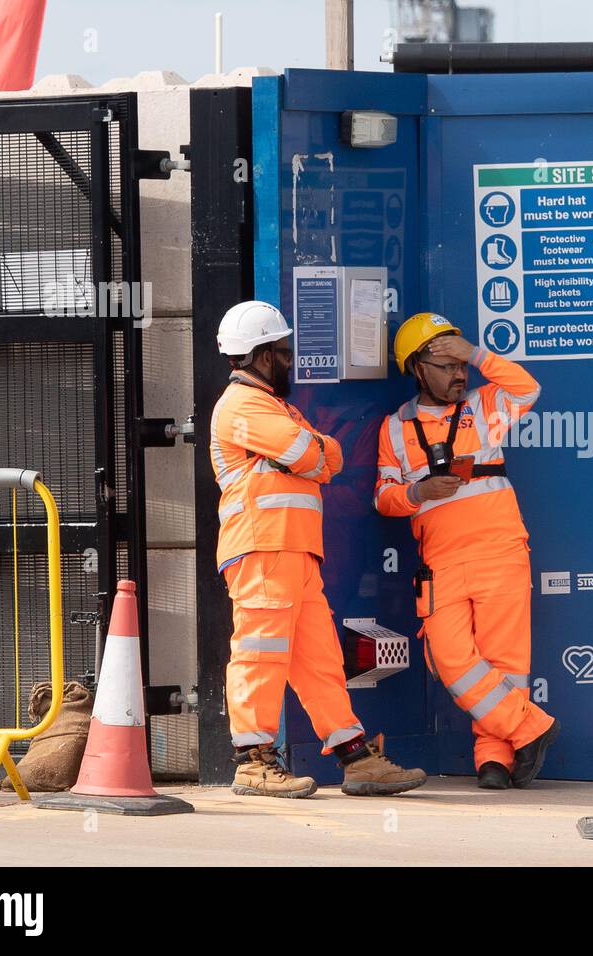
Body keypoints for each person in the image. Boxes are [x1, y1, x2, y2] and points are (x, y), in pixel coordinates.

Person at [211, 300, 426, 798]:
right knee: (259, 651)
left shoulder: (274, 407)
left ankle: (354, 754)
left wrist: (312, 451)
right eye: (284, 352)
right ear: (264, 355)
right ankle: (252, 760)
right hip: (264, 547)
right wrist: (311, 450)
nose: (291, 361)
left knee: (319, 658)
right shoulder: (244, 406)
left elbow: (329, 458)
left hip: (293, 550)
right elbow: (314, 453)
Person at [373, 312, 560, 790]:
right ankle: (528, 728)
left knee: (506, 664)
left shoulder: (486, 403)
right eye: (446, 364)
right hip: (442, 562)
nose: (459, 375)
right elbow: (384, 497)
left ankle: (494, 759)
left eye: (462, 365)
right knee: (449, 657)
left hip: (501, 550)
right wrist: (418, 494)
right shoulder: (395, 428)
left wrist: (474, 352)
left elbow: (527, 389)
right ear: (417, 368)